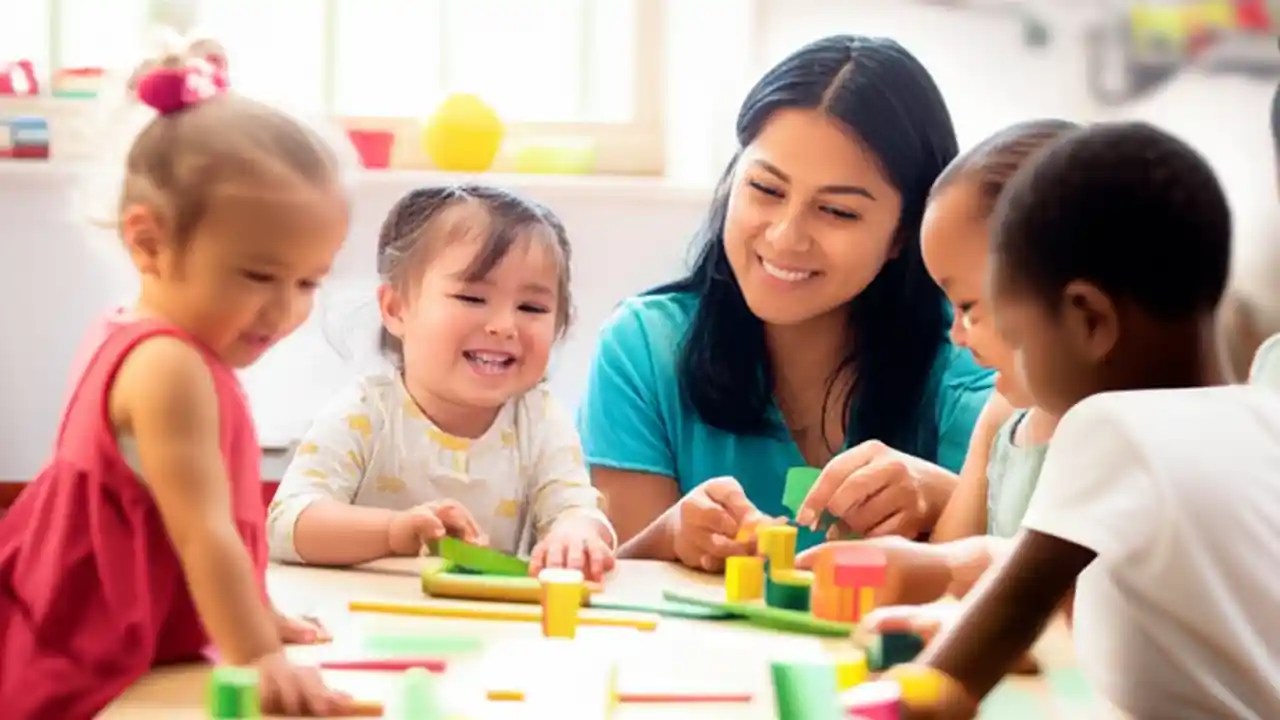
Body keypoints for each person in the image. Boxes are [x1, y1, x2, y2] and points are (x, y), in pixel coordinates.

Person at [0, 49, 355, 717]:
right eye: (257, 276)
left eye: (309, 282)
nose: (285, 311)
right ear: (149, 243)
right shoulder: (168, 368)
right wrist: (257, 657)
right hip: (80, 652)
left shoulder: (154, 339)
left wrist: (254, 612)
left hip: (131, 637)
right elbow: (203, 532)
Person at [888, 122, 1280, 720]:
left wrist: (898, 700)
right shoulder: (1264, 415)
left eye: (1018, 333)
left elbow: (977, 650)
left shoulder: (1106, 430)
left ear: (1087, 321)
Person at [578, 35, 995, 571]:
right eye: (766, 190)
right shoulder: (644, 347)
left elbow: (1007, 596)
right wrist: (671, 535)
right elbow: (617, 592)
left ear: (903, 234)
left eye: (837, 212)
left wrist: (946, 496)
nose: (785, 237)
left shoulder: (968, 357)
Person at [797, 120, 1078, 612]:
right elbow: (943, 571)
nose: (956, 334)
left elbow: (1088, 607)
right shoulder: (1002, 419)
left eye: (969, 307)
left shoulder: (1124, 436)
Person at [268, 185, 616, 581]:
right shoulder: (367, 412)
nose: (504, 326)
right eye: (471, 298)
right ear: (397, 309)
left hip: (490, 628)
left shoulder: (539, 419)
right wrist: (394, 532)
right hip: (363, 621)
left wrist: (576, 532)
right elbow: (288, 523)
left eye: (532, 307)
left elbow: (577, 508)